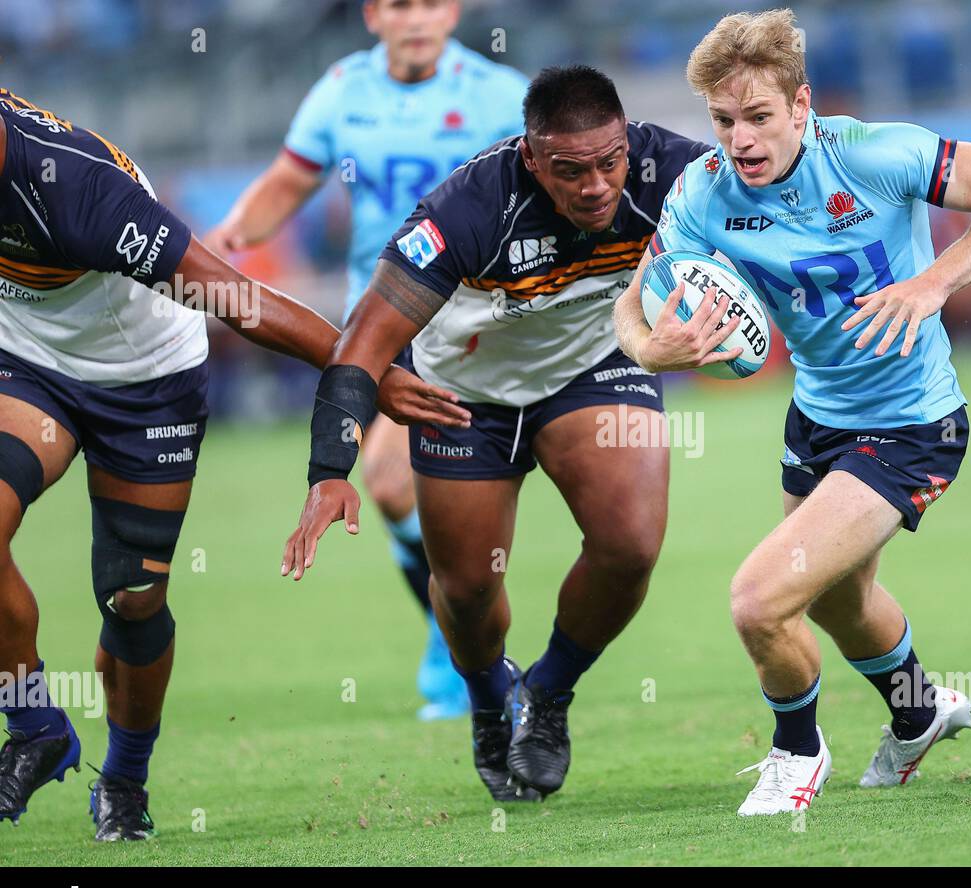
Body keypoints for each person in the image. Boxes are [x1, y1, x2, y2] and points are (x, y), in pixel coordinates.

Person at [613, 9, 971, 815]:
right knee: (834, 598)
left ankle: (796, 756)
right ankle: (919, 712)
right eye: (723, 121)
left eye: (758, 117)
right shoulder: (704, 193)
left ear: (801, 106)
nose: (740, 140)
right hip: (817, 418)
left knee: (759, 600)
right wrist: (649, 350)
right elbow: (634, 296)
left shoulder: (872, 155)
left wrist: (934, 282)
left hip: (913, 425)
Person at [0, 89, 455, 839]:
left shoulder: (79, 191)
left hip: (143, 379)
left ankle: (125, 779)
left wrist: (364, 372)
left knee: (132, 600)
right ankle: (34, 726)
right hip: (25, 364)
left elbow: (240, 301)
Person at [282, 66, 723, 801]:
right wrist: (330, 469)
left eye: (608, 163)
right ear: (531, 157)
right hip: (463, 395)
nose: (594, 186)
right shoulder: (464, 210)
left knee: (631, 544)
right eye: (569, 171)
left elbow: (776, 222)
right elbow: (361, 344)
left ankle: (546, 696)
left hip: (592, 367)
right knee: (467, 591)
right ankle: (492, 700)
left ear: (626, 144)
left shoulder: (672, 172)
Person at [207, 0, 528, 720]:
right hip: (384, 322)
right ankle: (457, 645)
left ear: (455, 10)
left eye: (430, 3)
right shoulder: (342, 90)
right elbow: (288, 181)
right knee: (388, 486)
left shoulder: (498, 94)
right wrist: (231, 234)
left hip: (482, 320)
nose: (416, 18)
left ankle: (473, 640)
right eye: (398, 4)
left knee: (485, 490)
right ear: (371, 14)